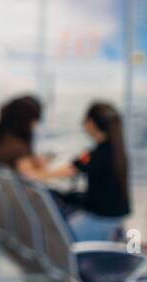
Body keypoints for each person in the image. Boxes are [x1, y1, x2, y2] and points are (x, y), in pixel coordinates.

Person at [36, 101, 131, 243]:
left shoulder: (100, 153)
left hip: (101, 218)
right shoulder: (112, 149)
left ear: (92, 123)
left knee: (57, 241)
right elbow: (79, 163)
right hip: (111, 216)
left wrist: (37, 175)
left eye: (86, 120)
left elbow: (71, 169)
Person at [0, 95, 47, 176]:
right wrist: (62, 172)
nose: (35, 125)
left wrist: (32, 161)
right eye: (35, 120)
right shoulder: (15, 147)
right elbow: (29, 177)